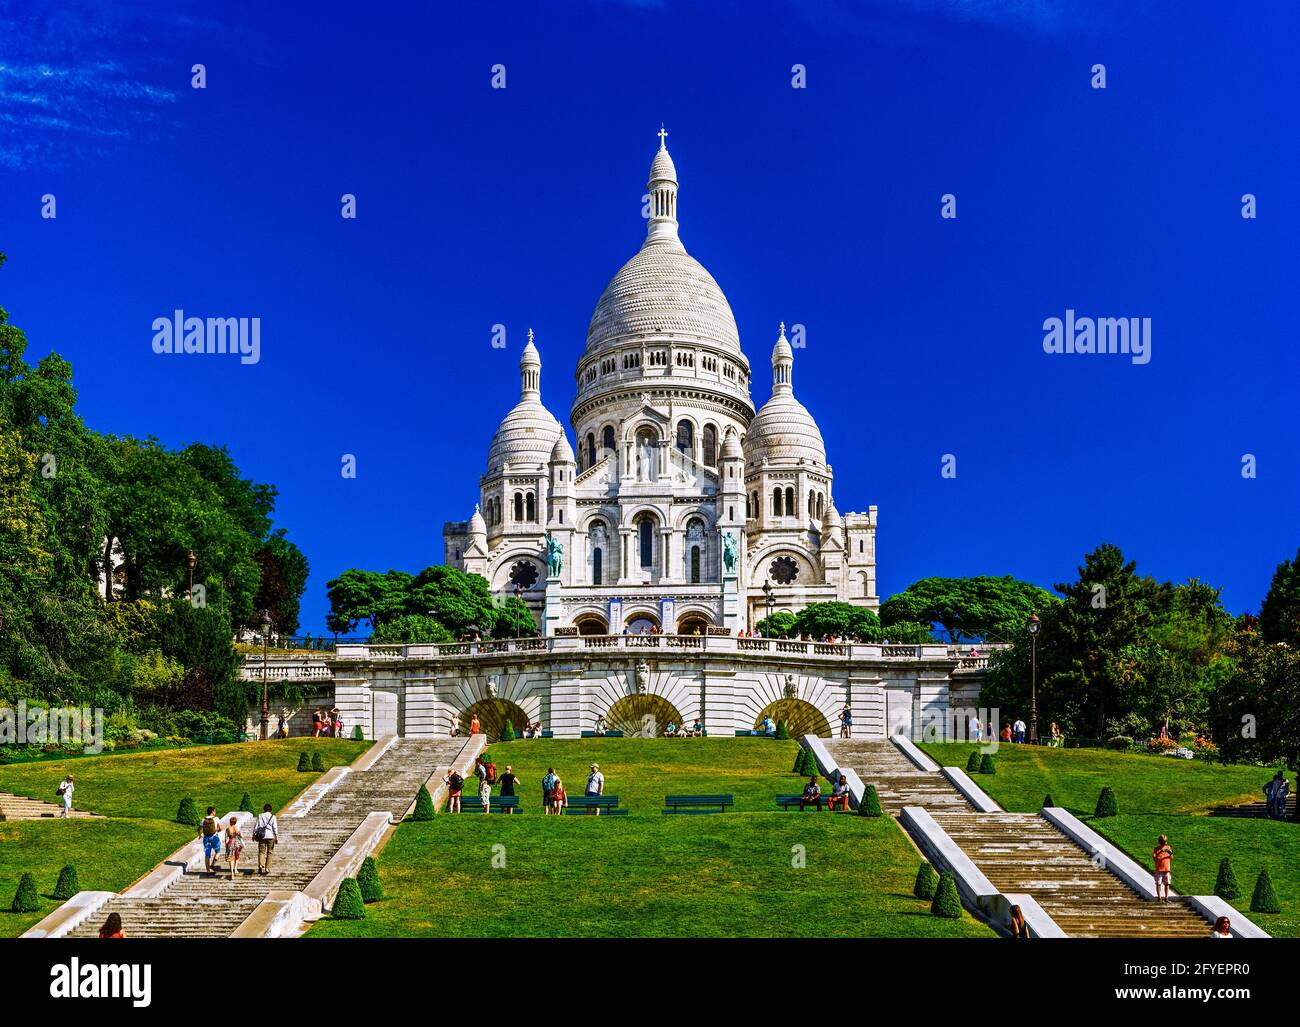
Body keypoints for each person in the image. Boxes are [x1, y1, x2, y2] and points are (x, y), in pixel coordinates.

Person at [253, 803, 279, 875]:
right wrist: (276, 836)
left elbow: (256, 826)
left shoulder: (260, 816)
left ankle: (261, 864)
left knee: (261, 852)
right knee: (270, 852)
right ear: (271, 810)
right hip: (270, 836)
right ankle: (267, 868)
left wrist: (253, 834)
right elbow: (275, 827)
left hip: (262, 836)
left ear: (264, 809)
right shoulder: (273, 817)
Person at [199, 805, 223, 873]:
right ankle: (212, 864)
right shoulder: (216, 819)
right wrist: (217, 830)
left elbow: (199, 829)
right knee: (218, 852)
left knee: (207, 854)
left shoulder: (203, 819)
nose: (215, 812)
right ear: (212, 812)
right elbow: (220, 828)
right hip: (214, 837)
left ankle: (208, 871)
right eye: (215, 811)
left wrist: (200, 835)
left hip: (206, 838)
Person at [1152, 835, 1173, 902]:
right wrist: (1160, 852)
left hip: (1166, 869)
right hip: (1159, 869)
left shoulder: (1168, 847)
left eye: (1165, 842)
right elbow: (1154, 858)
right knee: (1158, 883)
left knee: (1167, 884)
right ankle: (1159, 897)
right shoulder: (1156, 849)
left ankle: (1166, 897)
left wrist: (1169, 852)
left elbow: (1171, 858)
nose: (1164, 843)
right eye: (1163, 842)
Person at [224, 815, 245, 881]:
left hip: (230, 843)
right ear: (235, 822)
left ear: (230, 822)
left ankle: (232, 872)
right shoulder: (237, 828)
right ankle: (235, 868)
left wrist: (226, 846)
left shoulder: (227, 829)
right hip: (237, 844)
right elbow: (241, 836)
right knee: (237, 856)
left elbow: (226, 839)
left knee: (231, 858)